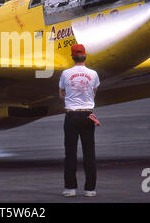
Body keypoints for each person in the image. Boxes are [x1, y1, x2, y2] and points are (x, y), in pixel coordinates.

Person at [59, 44, 100, 197]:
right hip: (88, 115)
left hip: (71, 115)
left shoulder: (65, 73)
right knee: (89, 152)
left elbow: (61, 94)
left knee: (70, 153)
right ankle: (90, 189)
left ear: (72, 57)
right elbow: (94, 93)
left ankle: (70, 188)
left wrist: (71, 98)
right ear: (85, 56)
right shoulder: (94, 74)